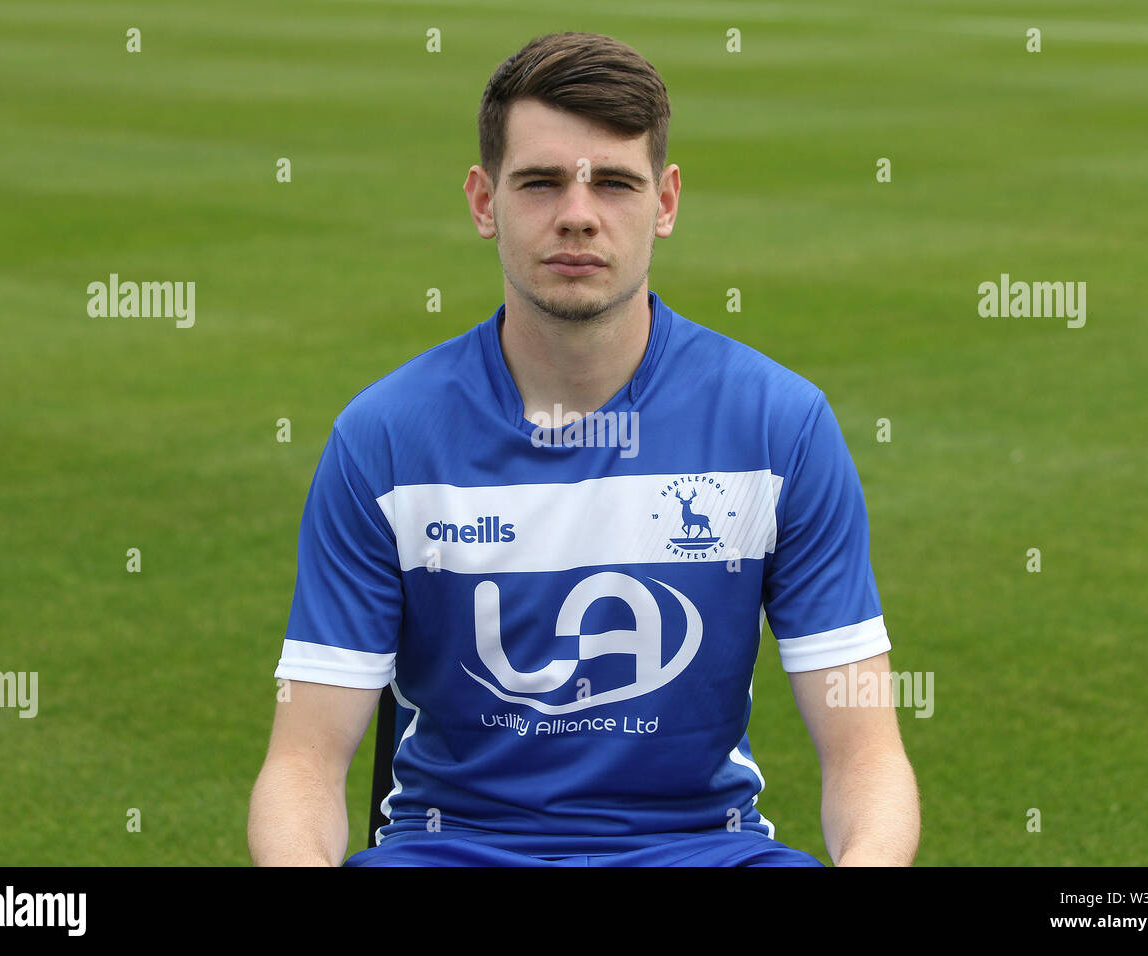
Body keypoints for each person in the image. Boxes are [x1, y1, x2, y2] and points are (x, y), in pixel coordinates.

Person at [247, 31, 919, 867]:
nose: (577, 212)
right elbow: (303, 764)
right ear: (483, 200)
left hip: (701, 851)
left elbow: (867, 757)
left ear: (665, 201)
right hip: (453, 850)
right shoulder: (384, 438)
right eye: (540, 182)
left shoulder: (779, 426)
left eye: (615, 182)